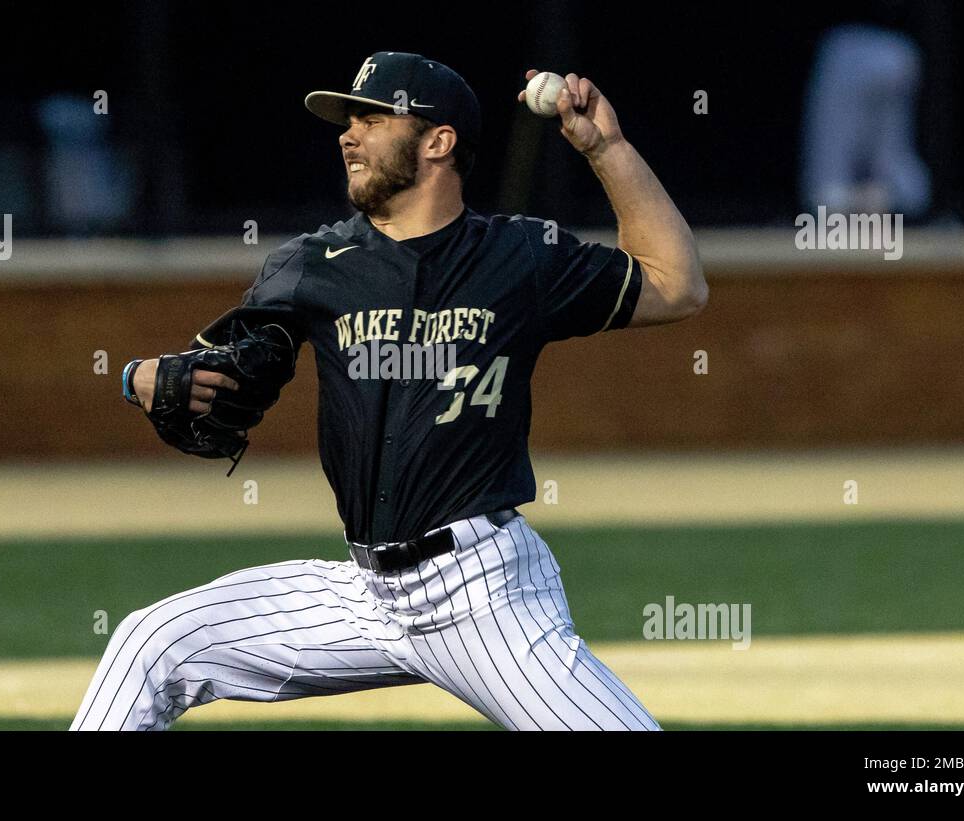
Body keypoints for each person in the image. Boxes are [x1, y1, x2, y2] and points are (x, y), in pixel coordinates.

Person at [71, 51, 706, 731]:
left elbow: (676, 284)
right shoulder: (312, 263)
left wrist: (604, 147)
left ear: (438, 140)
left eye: (373, 117)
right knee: (149, 643)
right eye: (348, 120)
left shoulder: (519, 256)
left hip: (482, 591)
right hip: (362, 593)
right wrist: (152, 377)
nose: (349, 134)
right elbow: (238, 366)